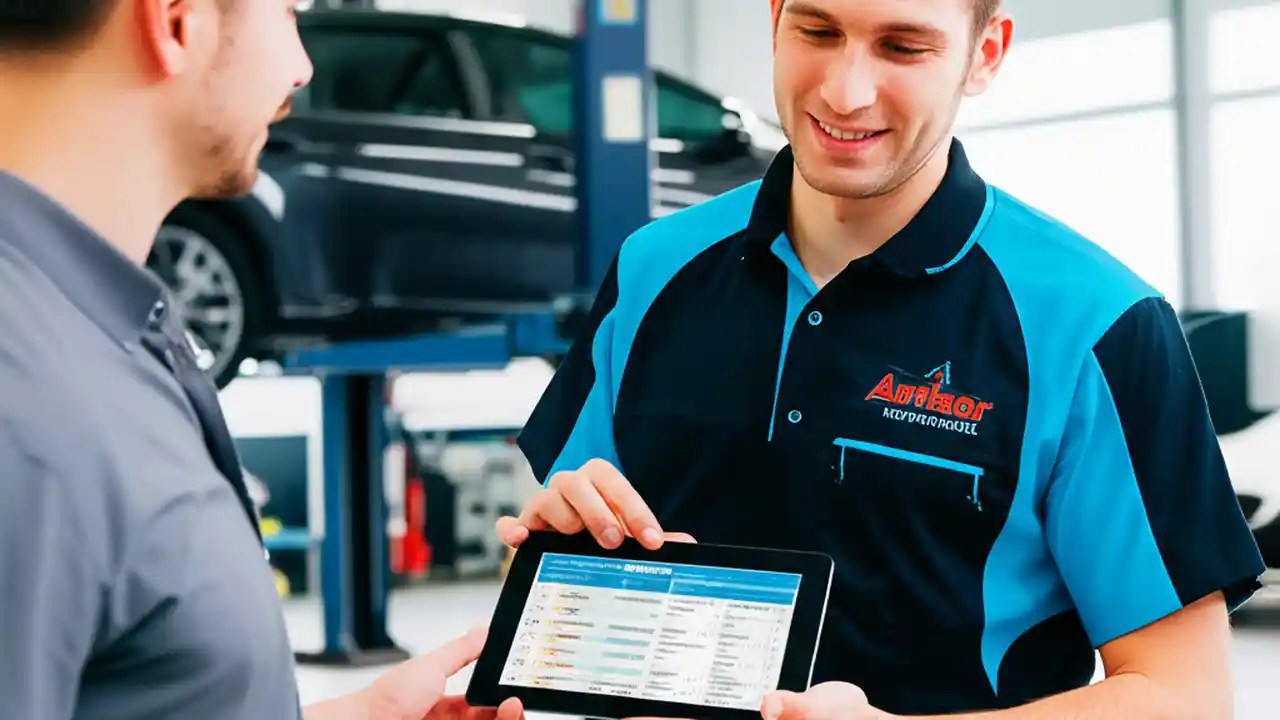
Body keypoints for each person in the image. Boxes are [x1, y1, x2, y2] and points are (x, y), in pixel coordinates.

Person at [498, 0, 1267, 717]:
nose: (845, 91)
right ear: (774, 17)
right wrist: (554, 560)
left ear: (983, 54)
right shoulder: (651, 270)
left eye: (902, 46)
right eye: (818, 30)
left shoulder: (1098, 323)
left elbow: (1184, 694)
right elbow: (544, 602)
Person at [0, 2, 524, 719]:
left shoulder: (89, 326)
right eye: (285, 10)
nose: (303, 67)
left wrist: (358, 715)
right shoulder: (25, 399)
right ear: (176, 21)